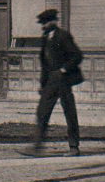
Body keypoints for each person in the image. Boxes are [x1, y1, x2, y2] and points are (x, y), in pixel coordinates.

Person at [29, 8, 84, 157]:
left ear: (53, 22)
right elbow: (45, 64)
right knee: (42, 111)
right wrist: (43, 84)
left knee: (69, 113)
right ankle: (37, 147)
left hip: (64, 80)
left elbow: (77, 56)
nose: (43, 26)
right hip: (51, 81)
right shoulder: (45, 38)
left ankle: (74, 147)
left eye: (45, 23)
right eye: (42, 23)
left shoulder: (63, 36)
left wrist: (64, 69)